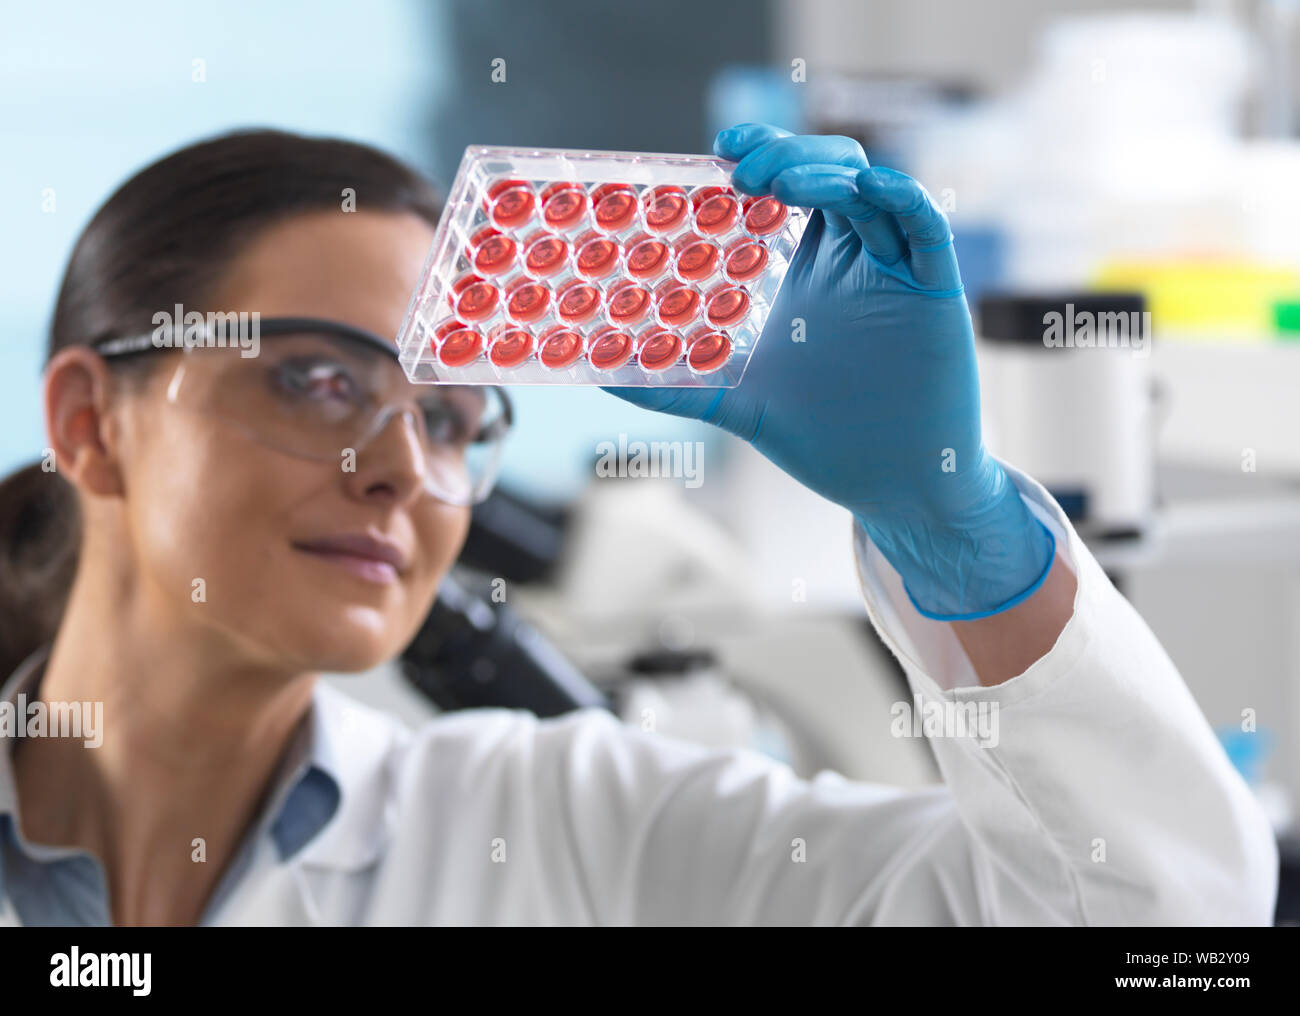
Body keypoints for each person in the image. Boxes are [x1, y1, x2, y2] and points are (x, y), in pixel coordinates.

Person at [0, 124, 1276, 926]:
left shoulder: (565, 824)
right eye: (320, 380)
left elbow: (1162, 922)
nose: (398, 468)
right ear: (89, 419)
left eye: (450, 418)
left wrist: (944, 515)